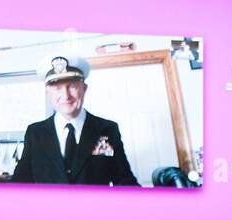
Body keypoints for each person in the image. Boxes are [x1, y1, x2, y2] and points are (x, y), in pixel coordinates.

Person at [9, 56, 140, 187]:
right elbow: (20, 181)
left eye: (72, 86)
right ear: (48, 93)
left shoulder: (107, 129)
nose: (66, 96)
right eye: (57, 88)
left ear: (84, 89)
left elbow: (124, 180)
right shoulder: (35, 133)